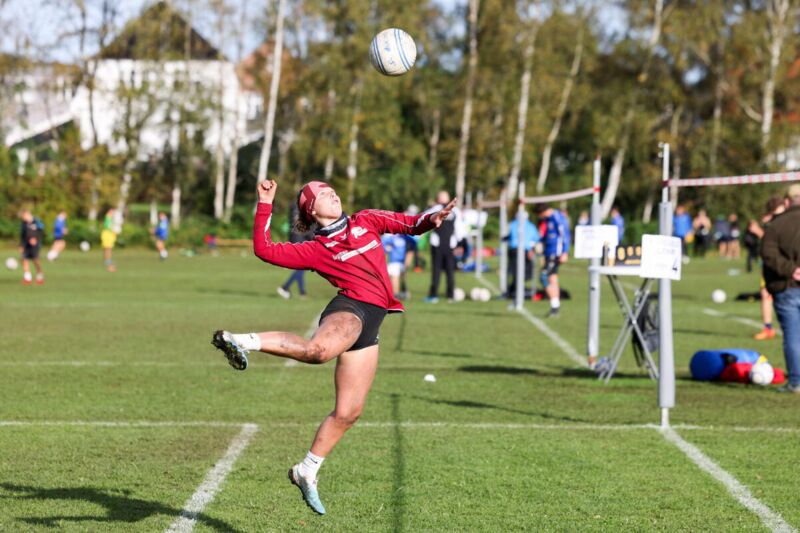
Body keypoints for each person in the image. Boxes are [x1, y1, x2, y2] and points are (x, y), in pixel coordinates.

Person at [212, 180, 455, 513]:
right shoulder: (315, 249)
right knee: (318, 351)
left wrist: (433, 219)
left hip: (373, 321)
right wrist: (264, 203)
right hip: (350, 310)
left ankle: (307, 470)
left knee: (348, 412)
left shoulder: (366, 220)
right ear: (312, 210)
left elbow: (410, 224)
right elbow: (264, 249)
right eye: (324, 195)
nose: (334, 195)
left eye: (333, 190)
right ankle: (241, 341)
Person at [761, 184, 800, 393]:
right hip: (788, 287)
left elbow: (768, 254)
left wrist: (791, 270)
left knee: (793, 336)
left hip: (786, 288)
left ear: (787, 201)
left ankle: (796, 381)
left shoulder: (776, 225)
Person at [750, 197, 786, 340]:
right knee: (766, 293)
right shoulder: (771, 220)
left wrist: (758, 231)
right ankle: (768, 328)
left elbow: (774, 240)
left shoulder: (785, 220)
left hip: (783, 263)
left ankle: (770, 327)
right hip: (771, 263)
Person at [536, 204, 570, 318]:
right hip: (548, 252)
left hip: (555, 253)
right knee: (552, 278)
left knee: (544, 276)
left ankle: (555, 306)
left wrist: (565, 252)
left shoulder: (557, 217)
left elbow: (564, 234)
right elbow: (546, 236)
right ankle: (555, 307)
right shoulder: (548, 219)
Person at [426, 191, 461, 303]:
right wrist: (459, 244)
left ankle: (433, 295)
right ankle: (450, 296)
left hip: (437, 244)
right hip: (450, 244)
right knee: (450, 271)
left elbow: (423, 218)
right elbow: (460, 229)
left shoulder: (435, 208)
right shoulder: (456, 211)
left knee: (436, 270)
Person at [277, 204, 315, 299]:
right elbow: (308, 231)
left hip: (294, 242)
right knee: (302, 269)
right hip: (301, 244)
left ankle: (302, 293)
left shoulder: (293, 209)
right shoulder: (304, 211)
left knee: (301, 269)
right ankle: (285, 287)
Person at [505, 213, 540, 298]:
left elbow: (509, 237)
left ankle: (515, 288)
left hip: (515, 251)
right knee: (526, 272)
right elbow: (537, 239)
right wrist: (532, 250)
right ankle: (515, 289)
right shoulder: (531, 226)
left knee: (516, 272)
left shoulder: (512, 224)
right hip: (524, 251)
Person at [19, 209, 45, 285]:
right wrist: (21, 245)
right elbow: (22, 235)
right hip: (26, 245)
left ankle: (40, 275)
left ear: (28, 214)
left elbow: (42, 232)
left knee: (35, 260)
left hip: (35, 245)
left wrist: (35, 238)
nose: (24, 218)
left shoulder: (37, 221)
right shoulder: (23, 224)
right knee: (24, 259)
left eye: (24, 216)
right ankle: (28, 278)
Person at [382, 232, 407, 299]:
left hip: (395, 261)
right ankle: (402, 292)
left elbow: (383, 246)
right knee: (399, 277)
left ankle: (396, 295)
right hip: (400, 261)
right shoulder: (404, 236)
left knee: (395, 277)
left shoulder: (391, 237)